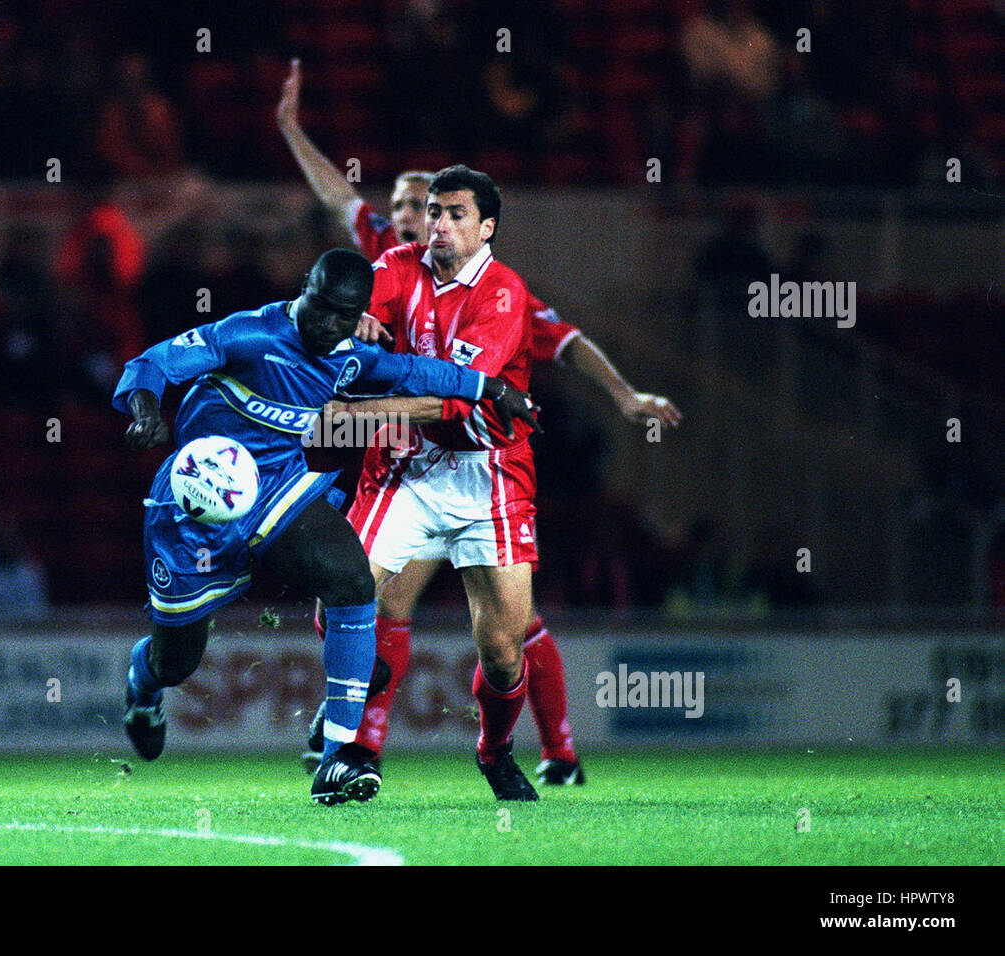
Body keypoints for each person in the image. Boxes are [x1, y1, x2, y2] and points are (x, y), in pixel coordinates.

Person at [278, 64, 682, 788]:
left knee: (504, 648)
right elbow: (357, 264)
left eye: (445, 211)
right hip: (403, 465)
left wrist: (623, 396)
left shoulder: (505, 297)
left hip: (488, 472)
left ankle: (503, 749)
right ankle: (351, 736)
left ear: (486, 225)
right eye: (422, 209)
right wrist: (352, 320)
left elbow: (469, 401)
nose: (426, 221)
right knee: (348, 597)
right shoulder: (392, 258)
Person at [114, 248, 539, 805]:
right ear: (303, 293)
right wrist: (146, 411)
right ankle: (143, 690)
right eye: (320, 309)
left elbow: (416, 371)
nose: (328, 325)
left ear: (359, 314)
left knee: (352, 582)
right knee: (178, 660)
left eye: (344, 315)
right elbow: (150, 364)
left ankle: (339, 755)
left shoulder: (347, 358)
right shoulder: (249, 335)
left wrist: (492, 389)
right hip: (195, 507)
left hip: (273, 490)